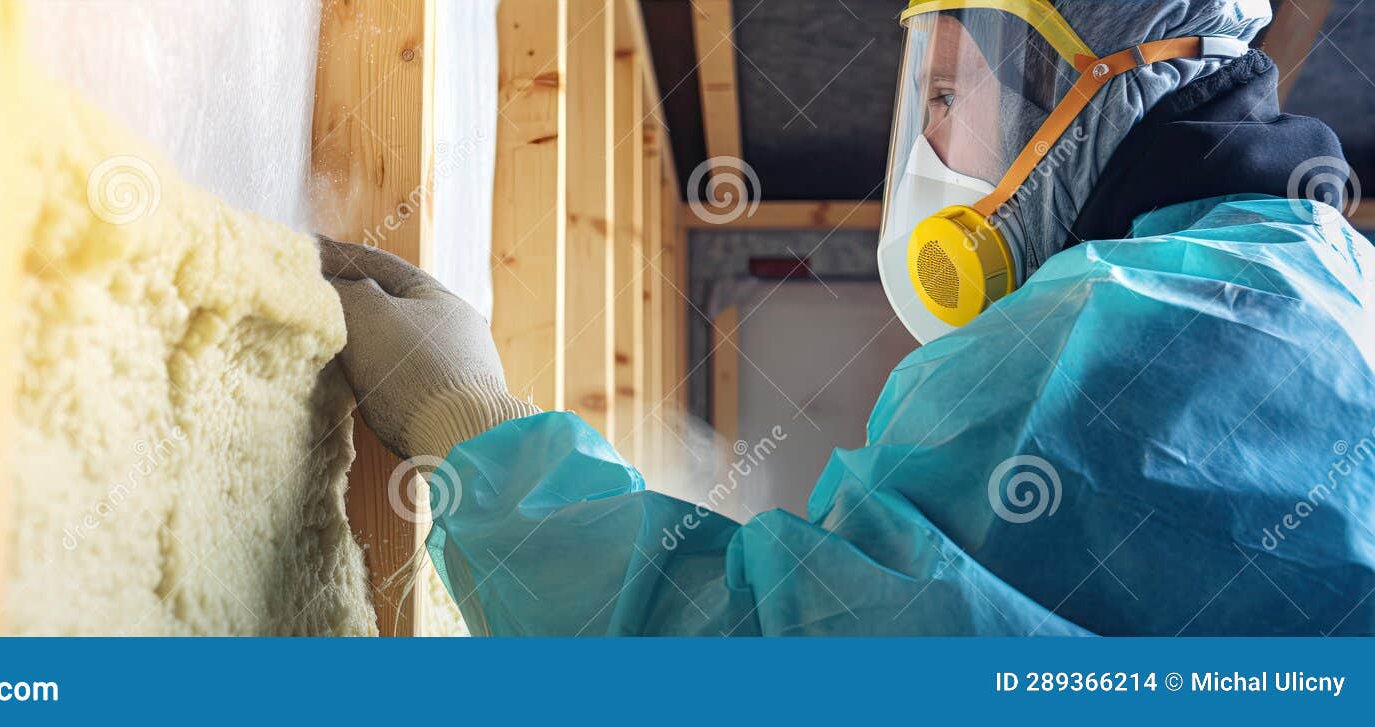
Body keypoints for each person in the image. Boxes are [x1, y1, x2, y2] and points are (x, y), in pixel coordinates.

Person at [323, 0, 1375, 636]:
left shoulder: (1120, 344)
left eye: (948, 95)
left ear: (1096, 84)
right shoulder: (1316, 291)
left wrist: (473, 432)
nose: (925, 146)